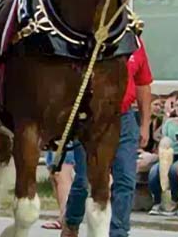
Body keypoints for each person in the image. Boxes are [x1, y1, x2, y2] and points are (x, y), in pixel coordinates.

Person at [62, 38, 153, 237]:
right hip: (90, 119)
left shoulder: (135, 42)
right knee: (85, 179)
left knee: (125, 179)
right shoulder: (88, 39)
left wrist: (145, 124)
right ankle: (71, 222)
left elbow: (143, 83)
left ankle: (119, 232)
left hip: (124, 118)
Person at [147, 94, 178, 217]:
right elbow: (162, 140)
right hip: (169, 154)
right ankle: (157, 202)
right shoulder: (169, 123)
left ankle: (174, 202)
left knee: (175, 169)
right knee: (154, 170)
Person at [43, 147, 75, 231]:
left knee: (61, 173)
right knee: (54, 175)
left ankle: (66, 219)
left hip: (65, 138)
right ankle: (63, 216)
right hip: (54, 140)